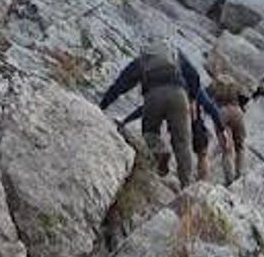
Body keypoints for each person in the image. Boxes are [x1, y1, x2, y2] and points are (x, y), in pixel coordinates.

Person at [100, 37, 214, 188]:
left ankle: (161, 150)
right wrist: (192, 98)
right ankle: (186, 186)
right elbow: (194, 77)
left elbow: (120, 85)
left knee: (150, 132)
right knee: (182, 143)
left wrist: (102, 106)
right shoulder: (175, 54)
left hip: (153, 96)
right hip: (179, 96)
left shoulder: (142, 61)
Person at [120, 82, 226, 182]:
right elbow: (211, 108)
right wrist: (222, 129)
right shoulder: (195, 87)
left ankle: (181, 178)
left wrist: (126, 120)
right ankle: (201, 185)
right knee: (202, 154)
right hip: (195, 125)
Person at [206, 74, 251, 185]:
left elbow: (206, 95)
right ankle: (240, 174)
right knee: (240, 146)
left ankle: (229, 179)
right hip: (237, 112)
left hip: (222, 113)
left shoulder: (216, 83)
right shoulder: (234, 83)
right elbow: (244, 97)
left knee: (226, 149)